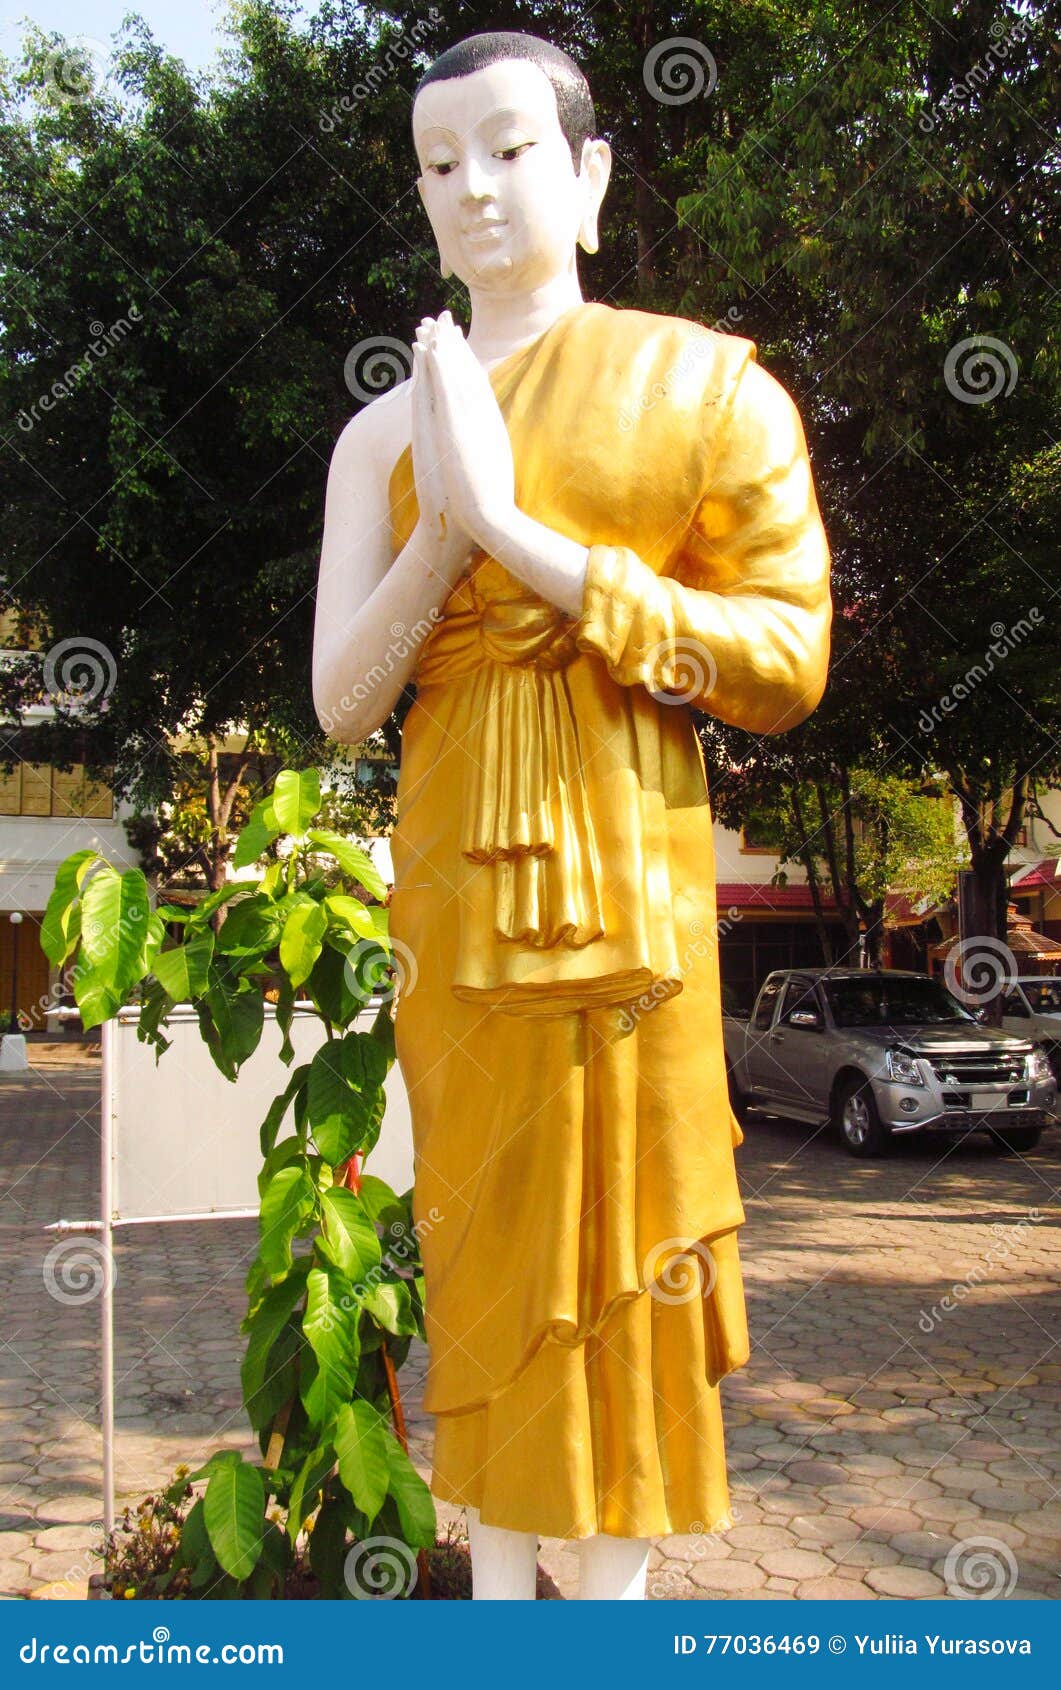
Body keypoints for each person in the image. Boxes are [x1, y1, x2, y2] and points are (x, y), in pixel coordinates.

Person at [312, 30, 832, 1600]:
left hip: (630, 902)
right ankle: (498, 1607)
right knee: (488, 1255)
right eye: (438, 162)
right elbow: (343, 699)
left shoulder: (701, 385)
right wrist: (443, 528)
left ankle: (604, 1623)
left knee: (621, 1259)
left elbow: (782, 661)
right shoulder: (381, 434)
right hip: (456, 903)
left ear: (590, 173)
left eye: (508, 147)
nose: (471, 186)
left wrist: (518, 535)